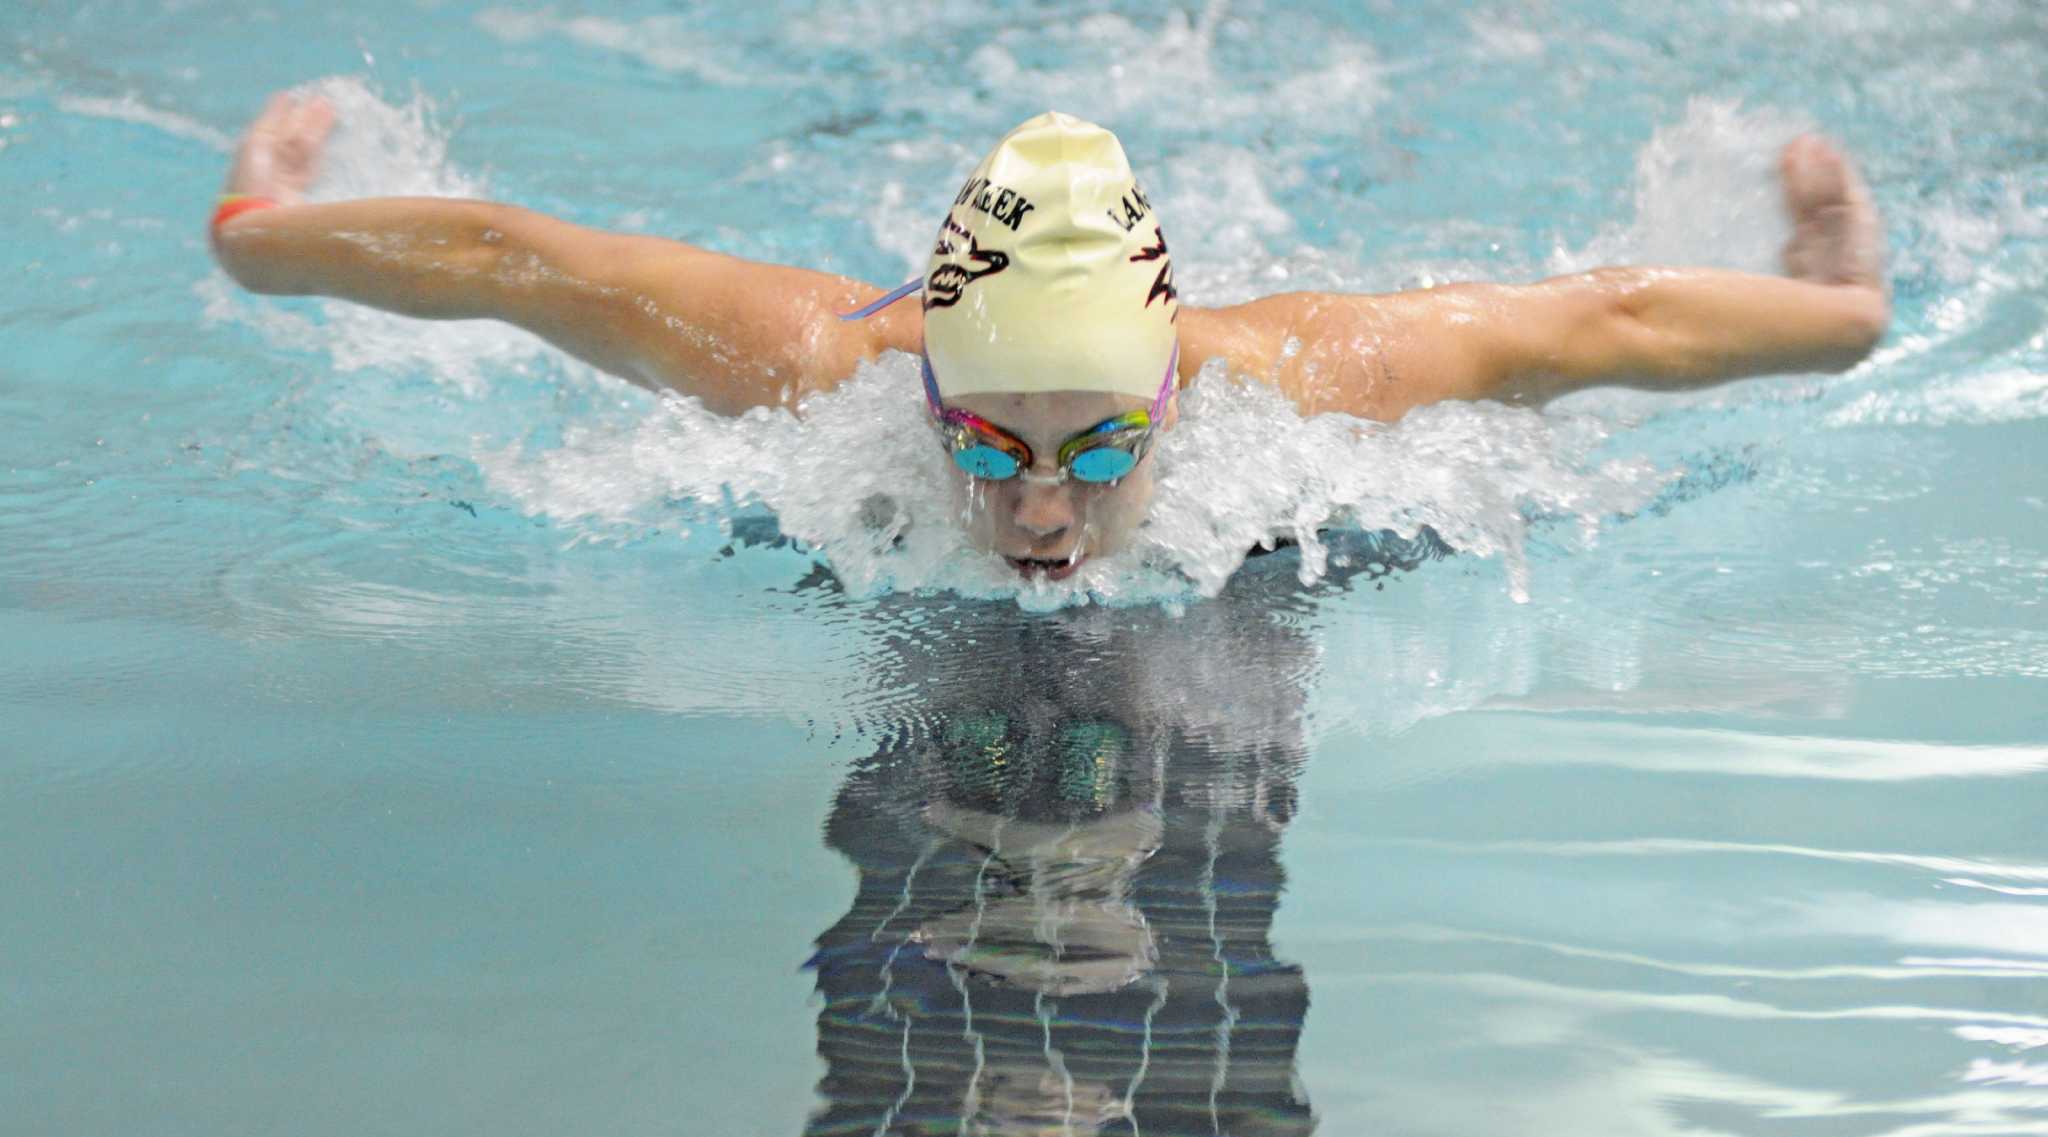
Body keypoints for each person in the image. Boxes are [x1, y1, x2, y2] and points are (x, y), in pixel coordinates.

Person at [210, 97, 1889, 582]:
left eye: (1101, 449)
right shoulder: (811, 362)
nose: (1038, 513)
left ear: (1173, 393)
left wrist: (1842, 295)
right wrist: (261, 232)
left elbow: (1614, 316)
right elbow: (514, 258)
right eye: (990, 445)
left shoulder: (1320, 382)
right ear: (922, 382)